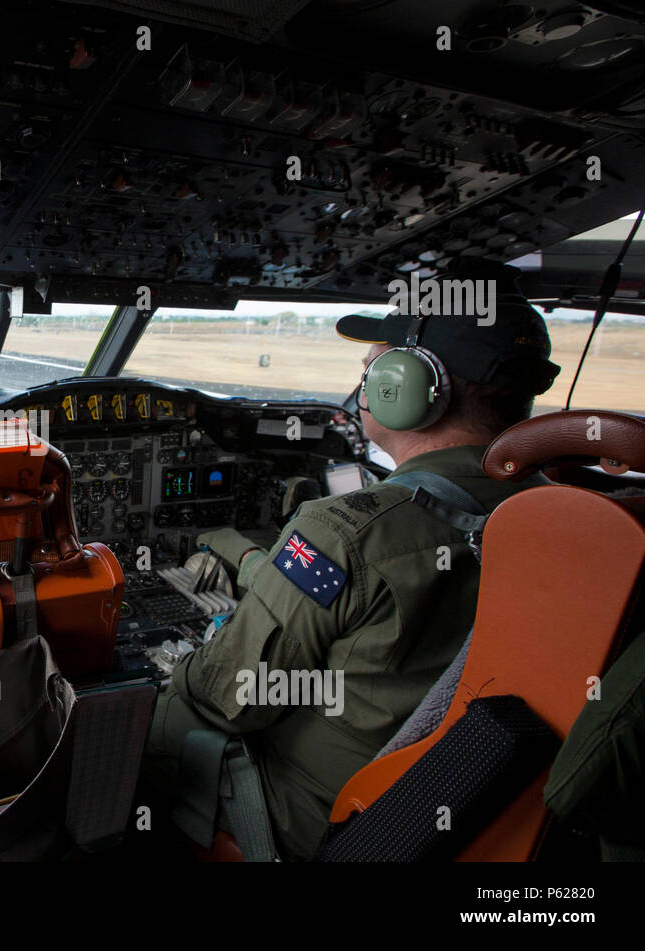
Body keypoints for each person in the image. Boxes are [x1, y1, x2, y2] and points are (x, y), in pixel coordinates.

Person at [143, 261, 563, 861]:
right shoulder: (572, 521)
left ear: (408, 384)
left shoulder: (347, 529)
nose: (363, 382)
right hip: (476, 810)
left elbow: (230, 696)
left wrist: (170, 666)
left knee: (126, 721)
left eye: (374, 367)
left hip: (327, 818)